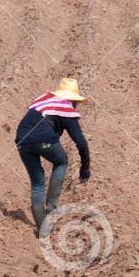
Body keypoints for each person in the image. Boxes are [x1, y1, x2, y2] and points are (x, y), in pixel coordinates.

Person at [14, 76, 91, 235]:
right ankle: (51, 208)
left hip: (22, 140)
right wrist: (85, 169)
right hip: (44, 139)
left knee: (37, 182)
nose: (75, 105)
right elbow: (81, 143)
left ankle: (43, 228)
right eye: (75, 102)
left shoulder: (43, 100)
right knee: (61, 162)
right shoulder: (65, 108)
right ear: (72, 100)